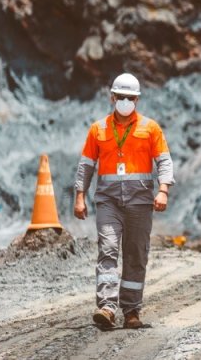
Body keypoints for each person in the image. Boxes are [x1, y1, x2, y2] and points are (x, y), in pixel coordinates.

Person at [74, 73, 174, 329]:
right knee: (107, 249)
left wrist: (163, 189)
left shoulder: (150, 128)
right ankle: (107, 307)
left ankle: (131, 311)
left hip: (139, 203)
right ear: (112, 97)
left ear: (137, 100)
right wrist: (80, 196)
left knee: (135, 255)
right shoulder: (99, 129)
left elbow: (163, 160)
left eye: (130, 98)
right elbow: (86, 165)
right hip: (108, 202)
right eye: (121, 97)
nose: (125, 101)